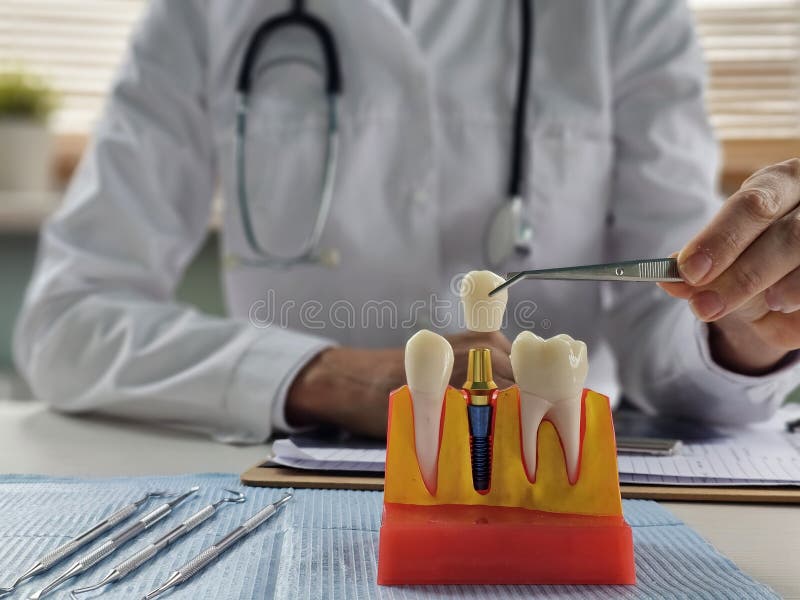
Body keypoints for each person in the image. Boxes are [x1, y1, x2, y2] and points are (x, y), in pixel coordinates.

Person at [13, 0, 799, 443]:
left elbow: (668, 333)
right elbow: (68, 323)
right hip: (289, 482)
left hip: (548, 474)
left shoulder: (626, 14)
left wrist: (743, 328)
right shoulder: (201, 14)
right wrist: (331, 378)